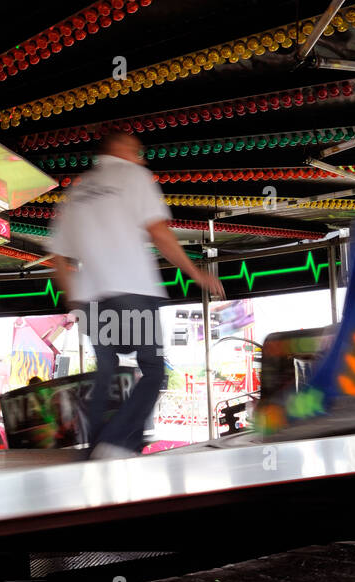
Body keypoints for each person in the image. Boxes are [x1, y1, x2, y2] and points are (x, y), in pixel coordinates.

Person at [49, 131, 224, 459]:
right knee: (153, 369)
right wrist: (196, 272)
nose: (142, 157)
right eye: (136, 150)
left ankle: (90, 448)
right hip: (132, 288)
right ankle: (114, 443)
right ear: (118, 148)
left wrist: (74, 299)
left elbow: (58, 257)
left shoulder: (78, 190)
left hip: (91, 297)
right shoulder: (134, 176)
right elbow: (159, 233)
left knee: (106, 369)